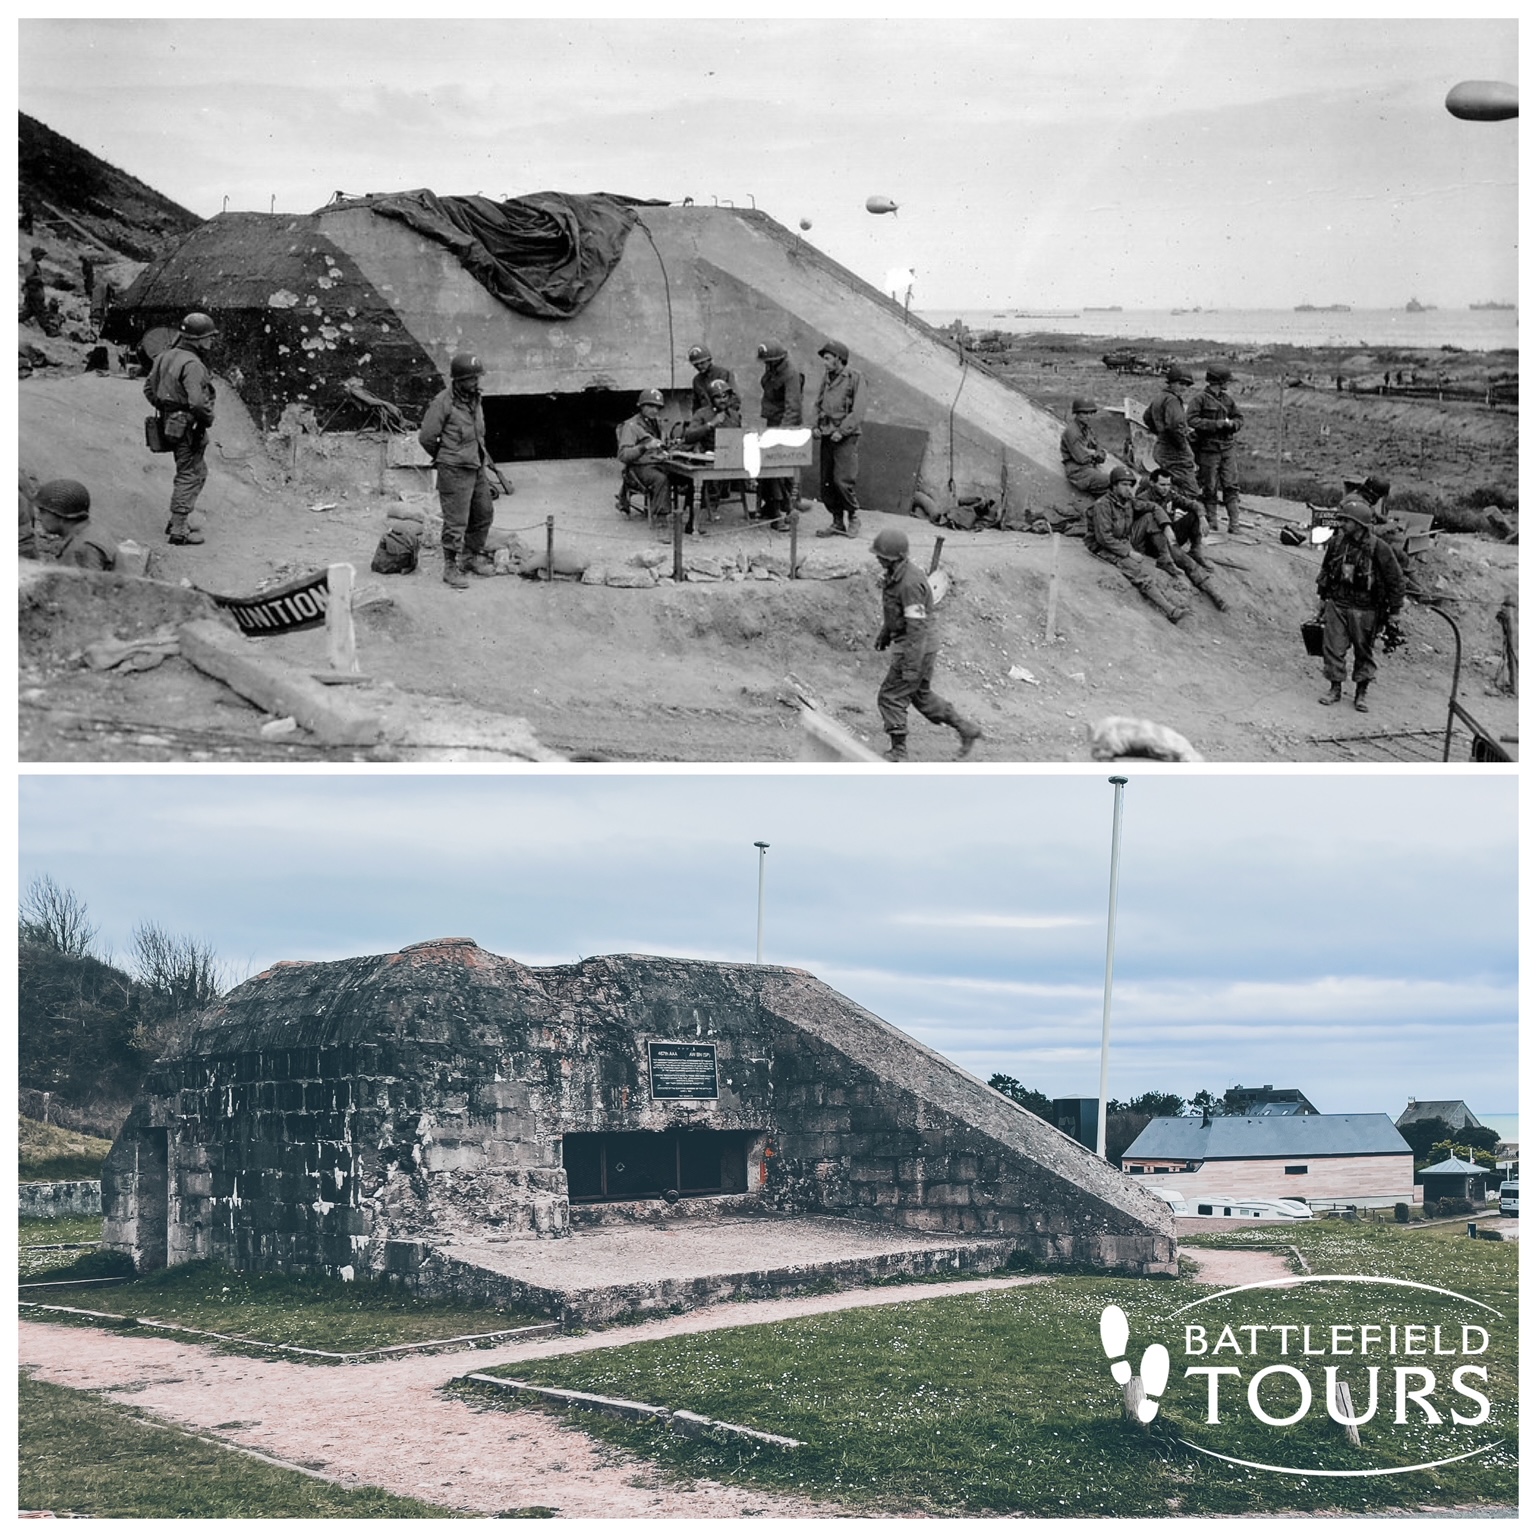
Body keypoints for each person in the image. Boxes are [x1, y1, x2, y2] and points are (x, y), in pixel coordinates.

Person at [871, 527, 982, 762]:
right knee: (921, 696)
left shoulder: (909, 583)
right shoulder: (896, 574)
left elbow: (916, 628)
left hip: (915, 647)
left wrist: (911, 666)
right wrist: (886, 632)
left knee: (890, 697)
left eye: (882, 556)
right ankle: (965, 728)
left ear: (896, 558)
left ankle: (899, 751)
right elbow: (897, 611)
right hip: (918, 645)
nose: (878, 559)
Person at [418, 351, 510, 589]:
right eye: (472, 378)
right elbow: (427, 437)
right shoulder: (443, 402)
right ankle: (450, 567)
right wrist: (446, 457)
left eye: (478, 377)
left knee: (483, 513)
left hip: (476, 465)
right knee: (456, 521)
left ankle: (471, 558)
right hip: (454, 470)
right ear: (458, 380)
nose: (476, 382)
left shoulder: (475, 399)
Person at [1315, 496, 1406, 713]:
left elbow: (1395, 580)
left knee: (1363, 652)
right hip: (1338, 603)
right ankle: (1335, 688)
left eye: (1346, 521)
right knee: (1333, 648)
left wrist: (1395, 611)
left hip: (1366, 609)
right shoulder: (1336, 543)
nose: (1342, 524)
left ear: (1359, 524)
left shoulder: (1379, 548)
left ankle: (1361, 692)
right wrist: (1322, 598)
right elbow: (1326, 570)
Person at [143, 311, 219, 546]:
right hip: (188, 425)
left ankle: (178, 520)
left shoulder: (164, 356)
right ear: (198, 339)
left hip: (171, 422)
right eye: (209, 336)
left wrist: (167, 409)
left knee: (196, 471)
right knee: (190, 473)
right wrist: (206, 418)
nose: (211, 340)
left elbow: (149, 389)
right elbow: (197, 402)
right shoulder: (193, 364)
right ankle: (179, 529)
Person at [1084, 467, 1189, 624]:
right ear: (1114, 486)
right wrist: (1128, 552)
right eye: (1124, 484)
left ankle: (1165, 559)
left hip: (1124, 539)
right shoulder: (1102, 505)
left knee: (1150, 517)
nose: (1128, 488)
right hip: (1104, 547)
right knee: (1136, 570)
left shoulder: (1128, 501)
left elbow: (1154, 507)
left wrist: (1167, 526)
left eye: (1130, 485)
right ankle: (1170, 610)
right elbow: (1104, 538)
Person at [1129, 470, 1227, 611]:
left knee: (1194, 514)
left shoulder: (1169, 495)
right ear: (1152, 483)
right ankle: (1213, 592)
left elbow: (1193, 504)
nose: (1166, 488)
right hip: (1151, 543)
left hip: (1168, 536)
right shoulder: (1142, 499)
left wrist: (1201, 516)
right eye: (1162, 485)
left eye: (1168, 485)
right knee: (1184, 560)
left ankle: (1196, 550)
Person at [813, 339, 866, 537]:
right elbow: (818, 403)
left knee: (842, 480)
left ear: (838, 358)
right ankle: (837, 521)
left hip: (846, 436)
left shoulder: (855, 378)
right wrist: (815, 426)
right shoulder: (827, 377)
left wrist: (842, 431)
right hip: (827, 433)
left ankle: (853, 517)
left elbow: (858, 411)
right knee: (826, 482)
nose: (824, 363)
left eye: (828, 359)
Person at [677, 377, 742, 530]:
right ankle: (692, 522)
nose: (722, 400)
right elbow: (689, 436)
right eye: (718, 397)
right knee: (696, 481)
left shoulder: (734, 415)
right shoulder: (702, 414)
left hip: (730, 458)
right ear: (711, 399)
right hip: (706, 457)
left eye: (725, 396)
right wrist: (710, 425)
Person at [1188, 363, 1244, 532]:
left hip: (1227, 448)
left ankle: (1234, 524)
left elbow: (1239, 418)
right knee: (1209, 487)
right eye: (1226, 381)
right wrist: (1215, 424)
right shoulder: (1200, 399)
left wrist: (1233, 424)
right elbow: (1191, 420)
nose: (1228, 384)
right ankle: (1212, 521)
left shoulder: (1228, 400)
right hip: (1208, 449)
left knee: (1231, 486)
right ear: (1219, 381)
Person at [1142, 364, 1200, 512]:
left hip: (1162, 447)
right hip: (1175, 451)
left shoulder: (1160, 397)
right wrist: (1182, 444)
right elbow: (1174, 426)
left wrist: (1160, 432)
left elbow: (1147, 417)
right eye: (1181, 384)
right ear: (1172, 382)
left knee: (1169, 480)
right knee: (1191, 490)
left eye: (1186, 385)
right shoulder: (1173, 400)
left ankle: (1159, 503)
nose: (1184, 388)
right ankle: (1151, 491)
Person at [757, 340, 803, 526]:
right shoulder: (772, 369)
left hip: (786, 426)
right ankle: (771, 506)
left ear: (778, 359)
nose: (766, 364)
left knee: (779, 469)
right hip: (773, 422)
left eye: (769, 361)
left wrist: (781, 434)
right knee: (768, 467)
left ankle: (784, 511)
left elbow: (793, 407)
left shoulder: (791, 374)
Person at [616, 388, 673, 526]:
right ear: (641, 406)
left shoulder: (657, 423)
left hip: (657, 463)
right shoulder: (631, 425)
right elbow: (623, 455)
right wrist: (644, 447)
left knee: (682, 475)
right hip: (638, 468)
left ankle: (692, 520)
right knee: (660, 479)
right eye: (650, 406)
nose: (654, 410)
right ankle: (660, 519)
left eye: (657, 407)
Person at [31, 479, 115, 570]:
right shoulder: (91, 531)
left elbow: (85, 579)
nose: (38, 517)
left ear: (60, 514)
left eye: (43, 512)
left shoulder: (83, 548)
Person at [1060, 397, 1113, 496]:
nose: (1088, 416)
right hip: (1078, 471)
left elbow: (1099, 449)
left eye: (1090, 413)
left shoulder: (1087, 429)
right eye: (1084, 413)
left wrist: (1093, 453)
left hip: (1089, 467)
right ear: (1077, 413)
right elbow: (1082, 458)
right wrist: (1094, 454)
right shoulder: (1072, 432)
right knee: (1112, 480)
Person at [686, 345, 734, 414]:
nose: (699, 366)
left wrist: (727, 415)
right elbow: (696, 405)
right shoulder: (697, 381)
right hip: (706, 417)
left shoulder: (723, 373)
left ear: (709, 360)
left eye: (702, 363)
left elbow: (734, 399)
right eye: (696, 364)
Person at [20, 245, 52, 332]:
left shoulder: (34, 264)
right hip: (33, 292)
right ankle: (48, 330)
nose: (42, 258)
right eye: (41, 255)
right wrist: (40, 279)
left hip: (35, 291)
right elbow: (28, 278)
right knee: (40, 311)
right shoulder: (31, 264)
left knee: (29, 312)